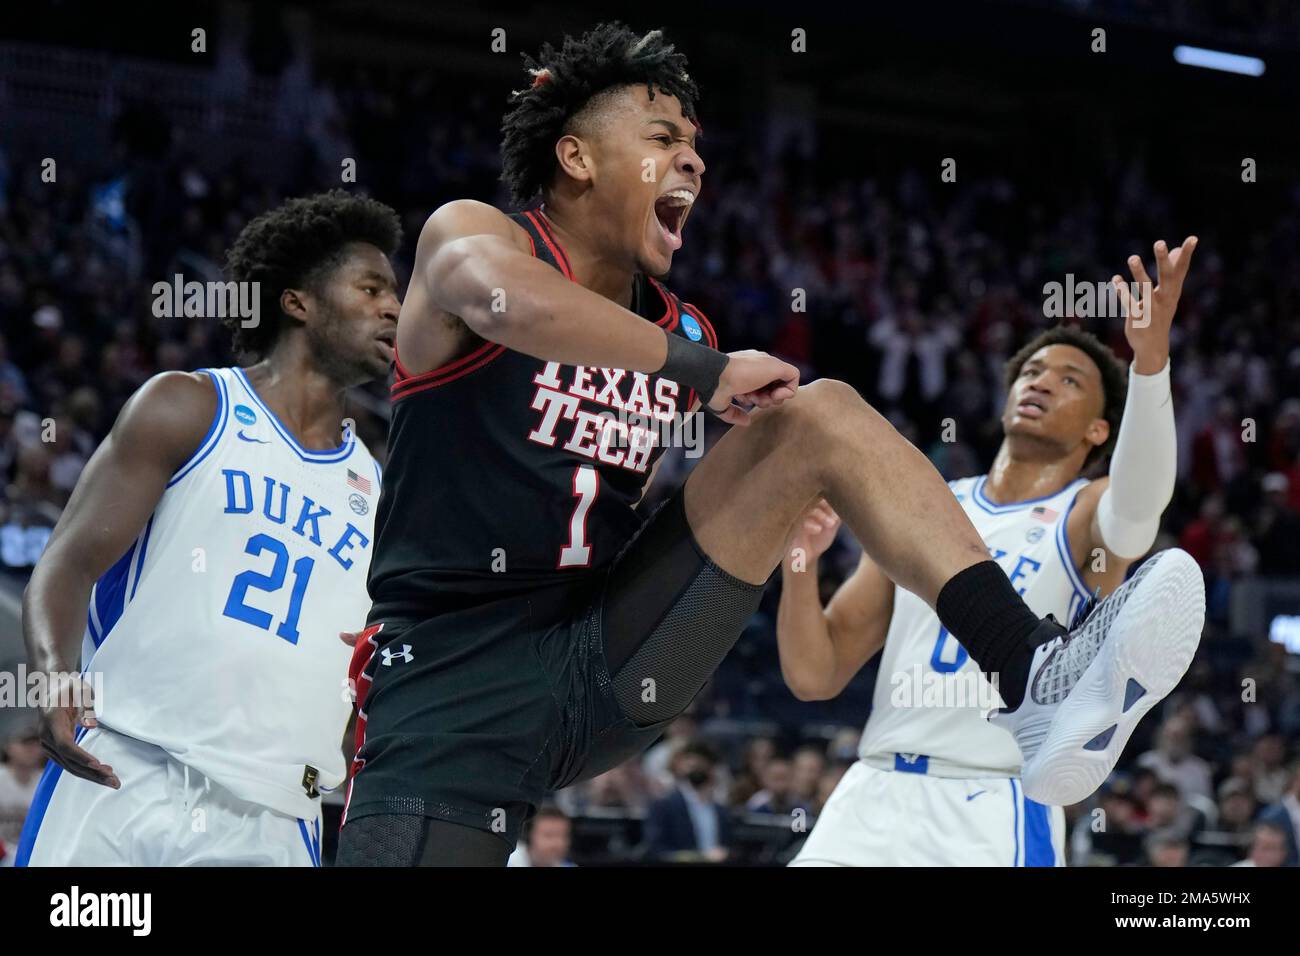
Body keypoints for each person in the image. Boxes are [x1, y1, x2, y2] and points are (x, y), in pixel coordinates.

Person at [335, 22, 1205, 867]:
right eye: (664, 137)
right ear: (577, 156)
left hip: (599, 660)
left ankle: (1034, 671)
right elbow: (501, 302)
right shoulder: (475, 234)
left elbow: (691, 481)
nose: (695, 160)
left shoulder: (682, 329)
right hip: (451, 680)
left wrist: (783, 482)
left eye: (697, 144)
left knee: (819, 414)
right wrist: (705, 373)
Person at [17, 192, 401, 865]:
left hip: (274, 814)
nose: (392, 307)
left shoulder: (378, 490)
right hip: (121, 772)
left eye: (394, 293)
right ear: (297, 302)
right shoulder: (189, 406)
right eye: (370, 288)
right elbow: (67, 562)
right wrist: (54, 677)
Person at [781, 248, 1199, 865]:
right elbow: (815, 675)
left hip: (991, 802)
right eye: (1032, 371)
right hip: (871, 788)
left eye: (1069, 380)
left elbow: (1138, 516)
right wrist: (800, 565)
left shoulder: (1086, 508)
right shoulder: (927, 503)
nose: (1041, 381)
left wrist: (1150, 362)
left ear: (1098, 432)